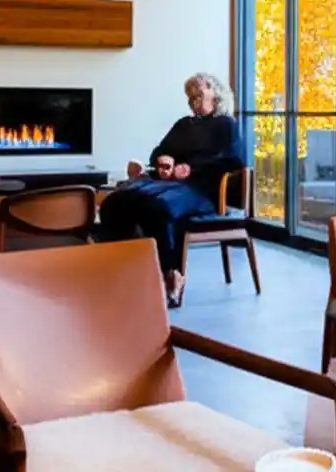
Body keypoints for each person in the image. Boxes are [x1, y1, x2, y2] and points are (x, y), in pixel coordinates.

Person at [96, 73, 244, 307]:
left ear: (216, 93)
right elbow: (158, 152)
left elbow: (235, 161)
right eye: (190, 96)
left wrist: (191, 168)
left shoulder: (226, 124)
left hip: (202, 189)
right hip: (170, 184)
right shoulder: (184, 125)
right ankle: (122, 273)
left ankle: (170, 275)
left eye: (199, 92)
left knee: (158, 207)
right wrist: (165, 160)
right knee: (115, 201)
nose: (193, 99)